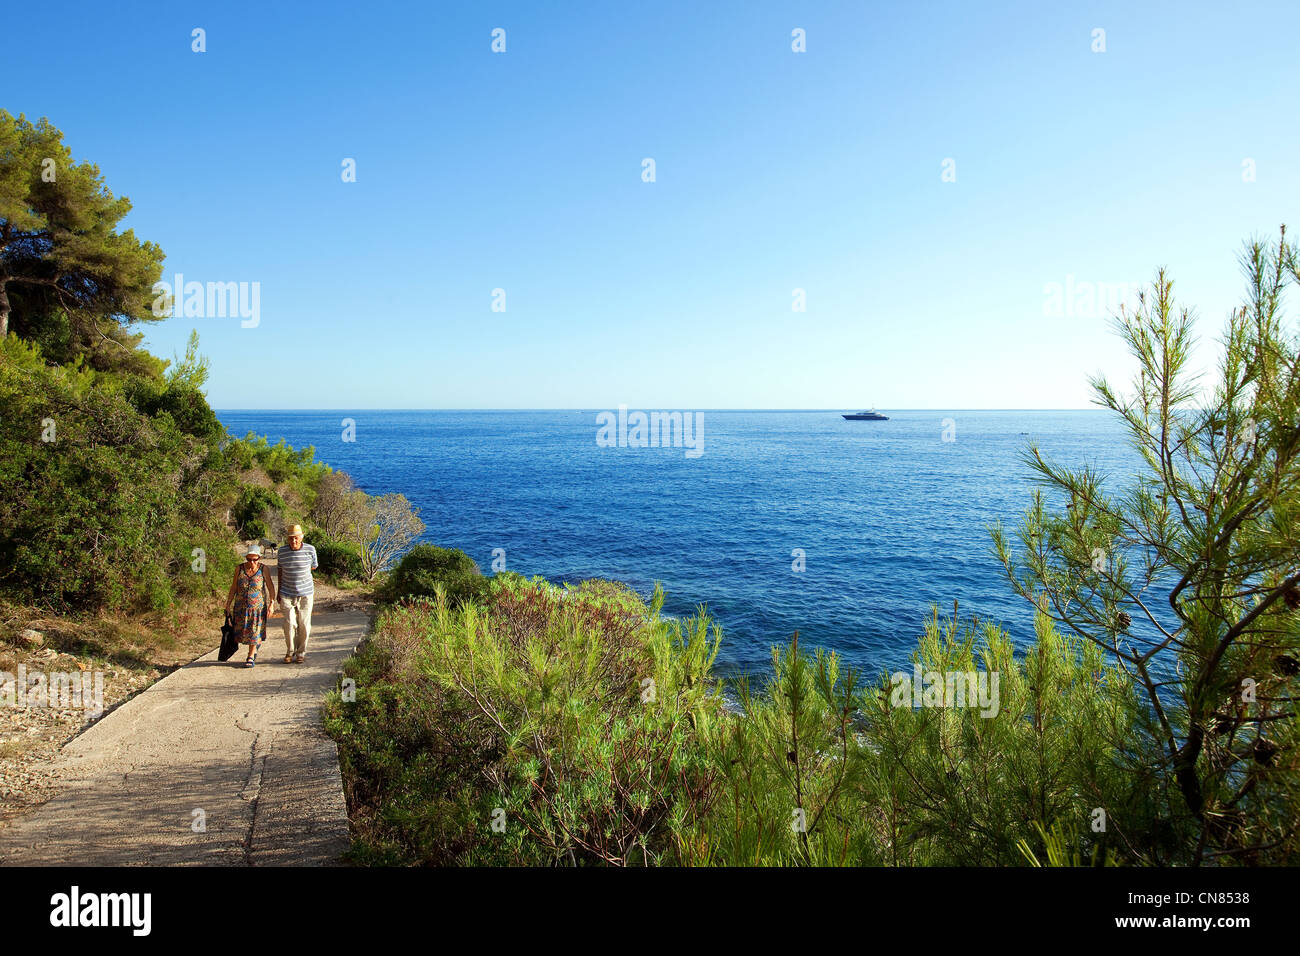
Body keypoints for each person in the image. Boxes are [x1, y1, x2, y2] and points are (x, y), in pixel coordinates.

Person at [225, 544, 277, 667]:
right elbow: (233, 587)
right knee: (242, 633)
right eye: (249, 559)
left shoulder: (263, 569)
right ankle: (254, 649)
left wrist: (272, 604)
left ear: (259, 558)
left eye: (255, 559)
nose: (252, 562)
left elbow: (270, 587)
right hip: (241, 608)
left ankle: (251, 655)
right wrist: (228, 604)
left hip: (257, 609)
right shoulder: (239, 569)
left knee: (254, 632)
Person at [276, 524, 318, 664]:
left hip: (306, 593)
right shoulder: (282, 552)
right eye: (290, 538)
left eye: (296, 538)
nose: (293, 541)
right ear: (287, 539)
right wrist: (278, 591)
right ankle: (290, 651)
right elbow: (280, 570)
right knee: (289, 624)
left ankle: (301, 653)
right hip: (286, 592)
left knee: (304, 624)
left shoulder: (310, 549)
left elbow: (313, 566)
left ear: (302, 537)